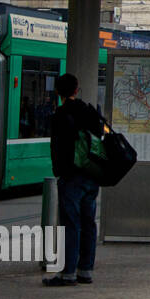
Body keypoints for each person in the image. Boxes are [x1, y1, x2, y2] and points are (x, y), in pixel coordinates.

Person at [45, 73, 105, 287]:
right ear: (77, 90)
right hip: (92, 176)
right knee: (89, 223)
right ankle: (86, 270)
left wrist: (60, 170)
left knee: (71, 224)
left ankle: (68, 273)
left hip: (72, 176)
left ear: (58, 92)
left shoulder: (60, 114)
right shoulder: (90, 110)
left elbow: (58, 147)